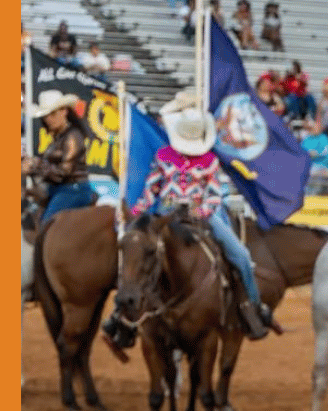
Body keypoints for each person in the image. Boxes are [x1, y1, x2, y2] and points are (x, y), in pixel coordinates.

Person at [123, 93, 273, 339]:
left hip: (202, 215)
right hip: (165, 213)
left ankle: (252, 306)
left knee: (241, 255)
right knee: (133, 250)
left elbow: (214, 195)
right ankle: (120, 314)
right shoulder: (163, 156)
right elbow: (152, 188)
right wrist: (138, 211)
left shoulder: (210, 161)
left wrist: (199, 211)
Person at [25, 91, 95, 227]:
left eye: (53, 113)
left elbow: (63, 173)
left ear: (64, 111)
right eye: (46, 115)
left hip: (73, 189)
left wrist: (35, 164)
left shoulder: (73, 136)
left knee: (47, 225)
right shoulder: (60, 137)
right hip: (60, 188)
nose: (48, 119)